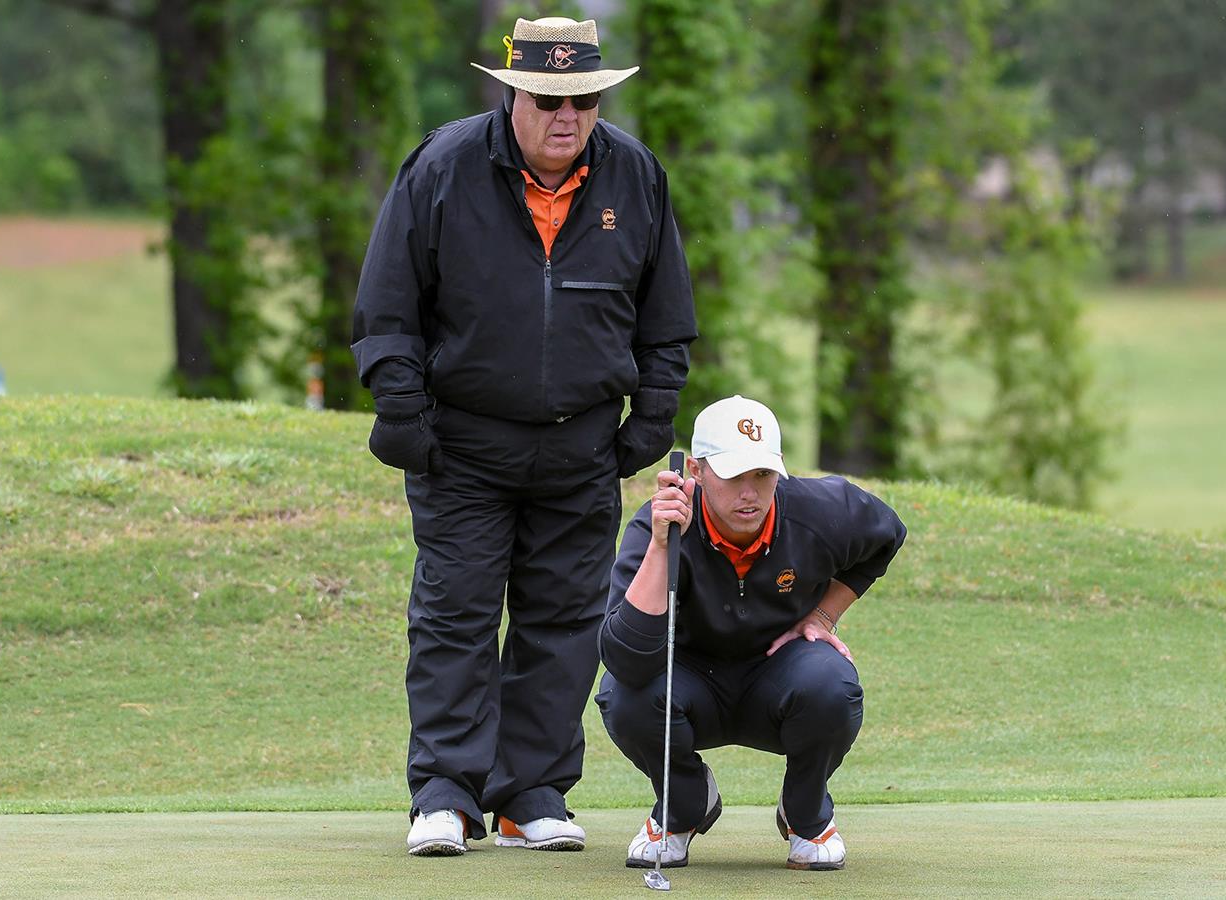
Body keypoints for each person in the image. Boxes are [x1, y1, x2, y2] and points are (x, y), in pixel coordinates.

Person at [351, 15, 697, 857]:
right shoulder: (443, 166)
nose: (566, 116)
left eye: (582, 98)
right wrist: (403, 414)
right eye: (547, 98)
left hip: (580, 447)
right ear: (511, 93)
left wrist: (647, 422)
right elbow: (388, 307)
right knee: (455, 615)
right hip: (463, 445)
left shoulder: (635, 176)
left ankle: (529, 794)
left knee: (564, 620)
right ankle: (444, 793)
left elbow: (666, 322)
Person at [596, 395, 907, 872]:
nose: (751, 493)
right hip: (690, 681)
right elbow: (626, 661)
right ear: (696, 472)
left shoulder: (818, 511)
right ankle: (684, 806)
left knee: (833, 683)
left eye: (762, 475)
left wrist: (824, 616)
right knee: (623, 694)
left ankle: (805, 817)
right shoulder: (656, 526)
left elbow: (887, 534)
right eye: (734, 476)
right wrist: (662, 547)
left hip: (782, 673)